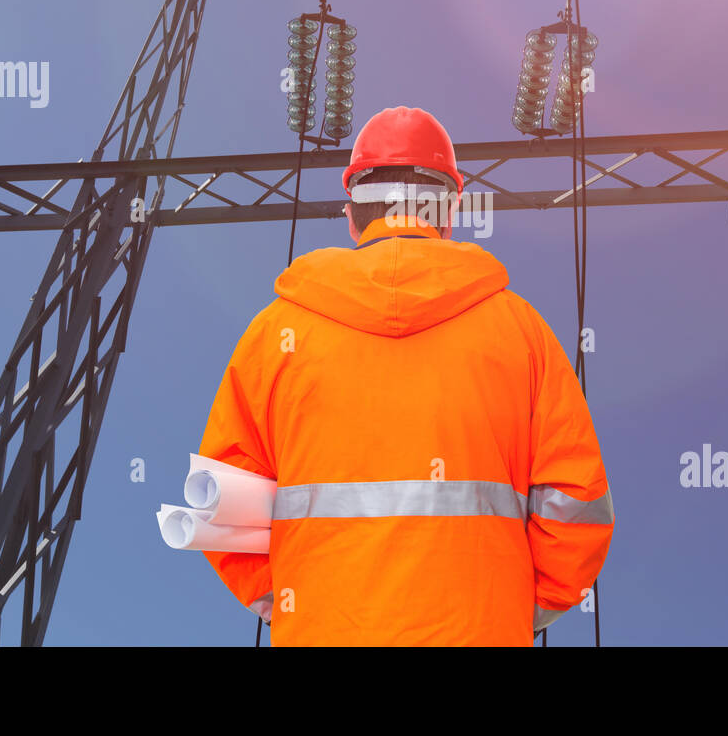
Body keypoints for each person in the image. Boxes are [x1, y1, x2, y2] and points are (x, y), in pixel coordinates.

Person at [197, 105, 613, 645]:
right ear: (450, 209)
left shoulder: (276, 333)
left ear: (351, 215)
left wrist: (299, 610)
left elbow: (220, 503)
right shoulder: (520, 330)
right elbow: (577, 505)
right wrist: (510, 610)